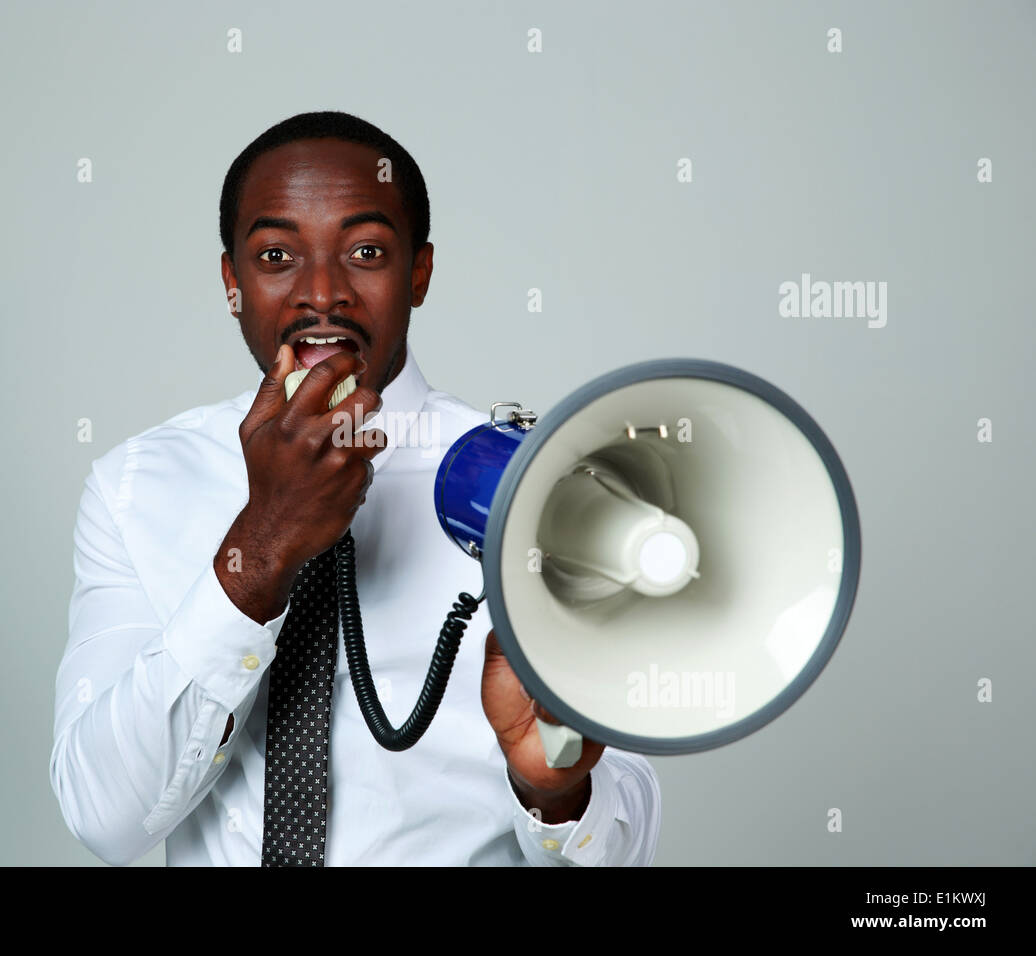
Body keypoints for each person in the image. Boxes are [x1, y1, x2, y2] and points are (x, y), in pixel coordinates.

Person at [49, 111, 660, 866]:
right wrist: (261, 545)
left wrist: (556, 792)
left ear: (420, 273)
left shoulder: (535, 484)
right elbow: (105, 818)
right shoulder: (136, 487)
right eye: (277, 255)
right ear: (232, 283)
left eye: (366, 251)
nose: (322, 294)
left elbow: (624, 842)